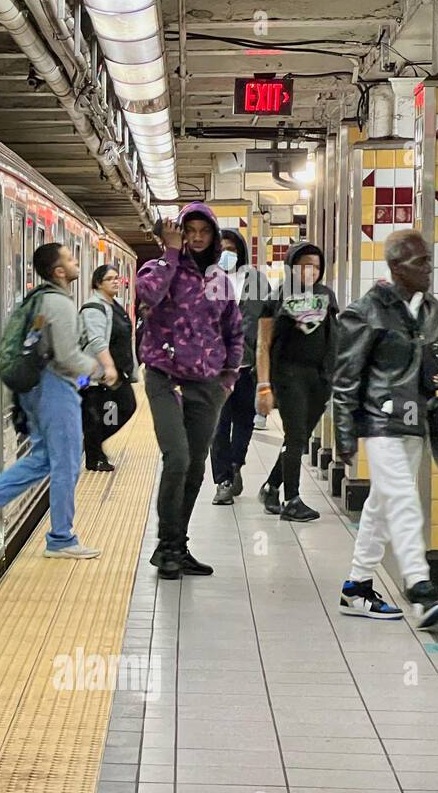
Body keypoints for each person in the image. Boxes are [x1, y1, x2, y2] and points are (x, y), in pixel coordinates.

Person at [333, 228, 438, 627]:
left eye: (429, 260)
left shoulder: (432, 310)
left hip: (415, 420)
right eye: (420, 262)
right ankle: (420, 587)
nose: (429, 269)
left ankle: (357, 586)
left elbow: (432, 365)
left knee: (382, 505)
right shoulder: (367, 311)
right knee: (403, 497)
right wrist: (345, 433)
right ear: (396, 267)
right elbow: (346, 376)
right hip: (380, 419)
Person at [0, 242, 117, 558]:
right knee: (67, 464)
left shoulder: (40, 298)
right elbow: (68, 356)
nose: (76, 263)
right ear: (59, 271)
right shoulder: (59, 304)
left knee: (45, 458)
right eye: (71, 260)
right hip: (55, 389)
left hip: (37, 388)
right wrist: (100, 372)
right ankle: (61, 539)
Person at [137, 202, 243, 580]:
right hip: (164, 377)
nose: (197, 238)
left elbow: (233, 330)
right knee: (177, 457)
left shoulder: (219, 280)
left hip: (208, 384)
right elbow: (146, 296)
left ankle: (178, 546)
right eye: (190, 230)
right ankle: (166, 547)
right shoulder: (158, 268)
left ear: (214, 236)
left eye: (204, 231)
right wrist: (169, 252)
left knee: (196, 466)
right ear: (179, 232)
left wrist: (228, 378)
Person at [255, 242, 340, 521]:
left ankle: (271, 486)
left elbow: (333, 336)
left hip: (319, 378)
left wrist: (334, 374)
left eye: (316, 266)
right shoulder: (275, 298)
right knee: (294, 436)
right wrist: (264, 385)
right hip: (288, 375)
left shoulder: (326, 295)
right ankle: (291, 499)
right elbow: (263, 344)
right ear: (291, 267)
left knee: (300, 439)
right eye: (304, 265)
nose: (311, 272)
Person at [210, 229, 267, 504]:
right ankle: (222, 480)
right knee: (218, 426)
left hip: (247, 366)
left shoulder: (256, 281)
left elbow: (264, 320)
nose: (225, 254)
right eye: (220, 249)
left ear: (241, 250)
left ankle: (235, 466)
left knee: (244, 421)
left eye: (231, 248)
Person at [80, 264, 136, 472]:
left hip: (111, 372)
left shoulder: (114, 304)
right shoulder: (94, 308)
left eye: (117, 278)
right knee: (96, 411)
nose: (115, 282)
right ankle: (94, 456)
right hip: (93, 374)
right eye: (110, 279)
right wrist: (109, 367)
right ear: (97, 283)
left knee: (119, 407)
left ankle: (94, 449)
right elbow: (96, 340)